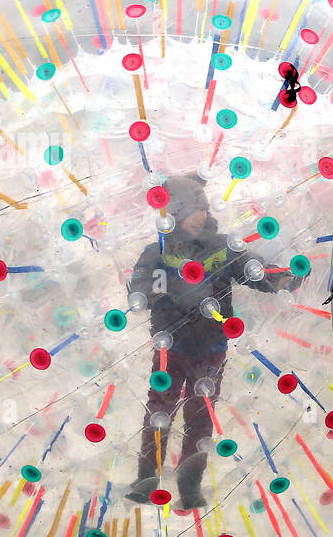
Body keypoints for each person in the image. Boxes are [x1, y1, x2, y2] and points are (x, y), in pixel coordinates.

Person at [125, 173, 300, 509]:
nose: (200, 216)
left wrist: (282, 279)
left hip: (211, 348)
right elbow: (139, 285)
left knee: (200, 416)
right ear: (174, 212)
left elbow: (254, 270)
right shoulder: (157, 252)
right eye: (192, 210)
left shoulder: (221, 249)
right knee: (159, 409)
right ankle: (146, 478)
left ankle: (190, 485)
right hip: (169, 349)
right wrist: (142, 293)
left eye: (203, 209)